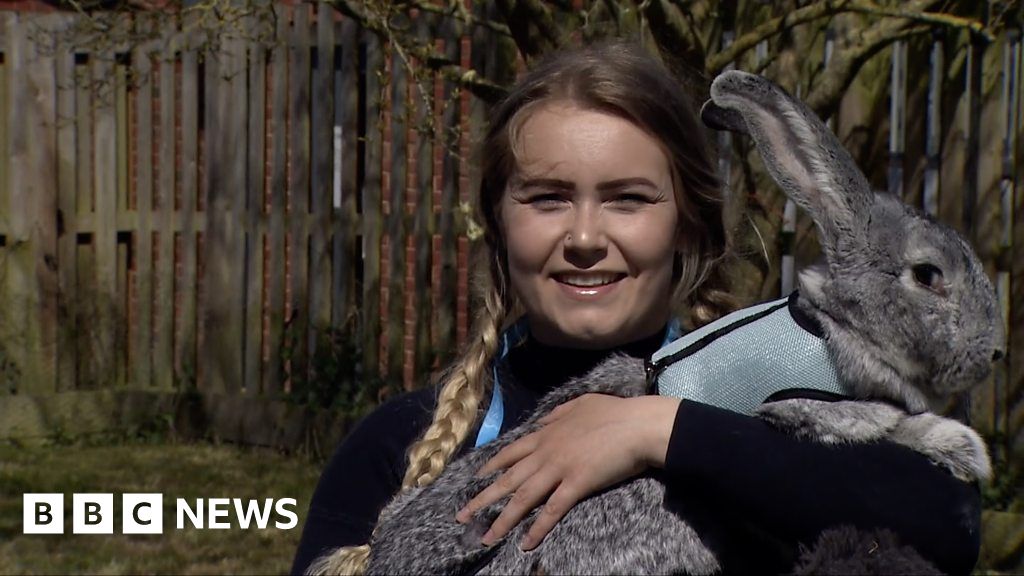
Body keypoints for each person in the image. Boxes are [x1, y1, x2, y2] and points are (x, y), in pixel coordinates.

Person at [291, 42, 981, 576]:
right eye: (547, 198)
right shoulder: (396, 445)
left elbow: (946, 522)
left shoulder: (771, 403)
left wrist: (658, 431)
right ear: (498, 223)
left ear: (688, 225)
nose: (586, 238)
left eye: (628, 198)